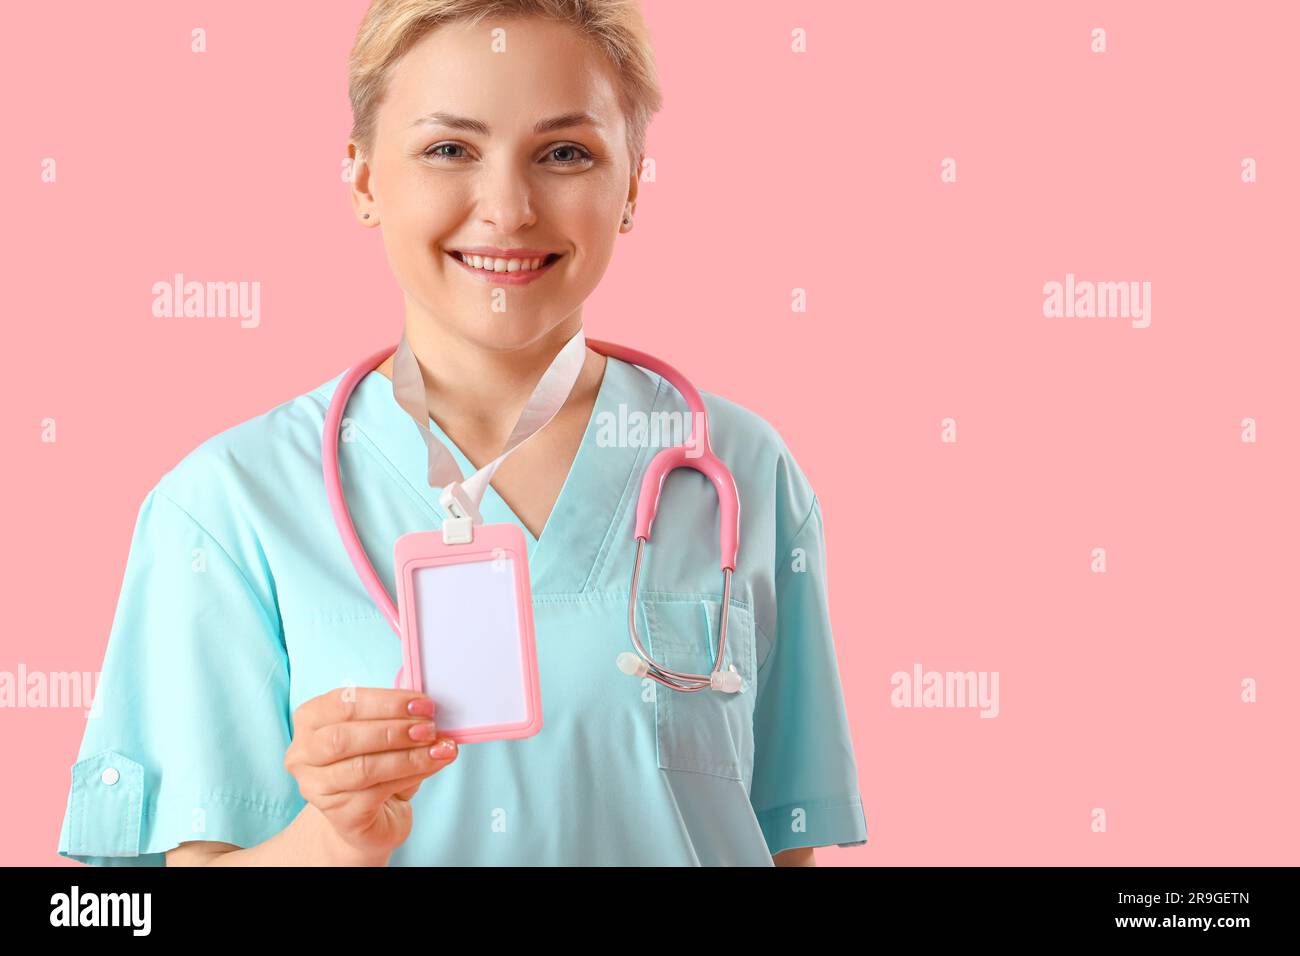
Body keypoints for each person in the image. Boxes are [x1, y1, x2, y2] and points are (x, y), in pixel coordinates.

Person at [55, 0, 868, 867]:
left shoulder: (740, 472)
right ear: (365, 179)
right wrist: (328, 843)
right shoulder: (226, 508)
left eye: (565, 153)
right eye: (450, 149)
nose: (508, 208)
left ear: (632, 183)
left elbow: (782, 848)